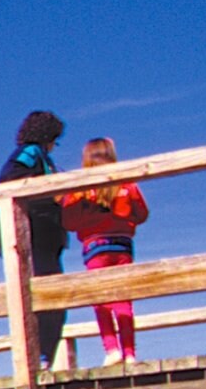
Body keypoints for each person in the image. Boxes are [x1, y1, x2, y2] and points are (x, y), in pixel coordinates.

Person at [61, 137, 149, 365]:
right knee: (123, 300)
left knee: (99, 298)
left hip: (94, 247)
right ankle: (129, 353)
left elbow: (68, 220)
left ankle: (112, 350)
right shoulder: (125, 181)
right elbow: (141, 213)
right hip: (122, 245)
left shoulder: (79, 187)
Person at [0, 110, 70, 367]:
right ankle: (40, 358)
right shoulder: (29, 153)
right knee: (46, 300)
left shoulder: (42, 158)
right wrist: (50, 195)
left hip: (44, 239)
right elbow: (10, 178)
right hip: (34, 237)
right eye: (55, 139)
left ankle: (42, 357)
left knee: (52, 301)